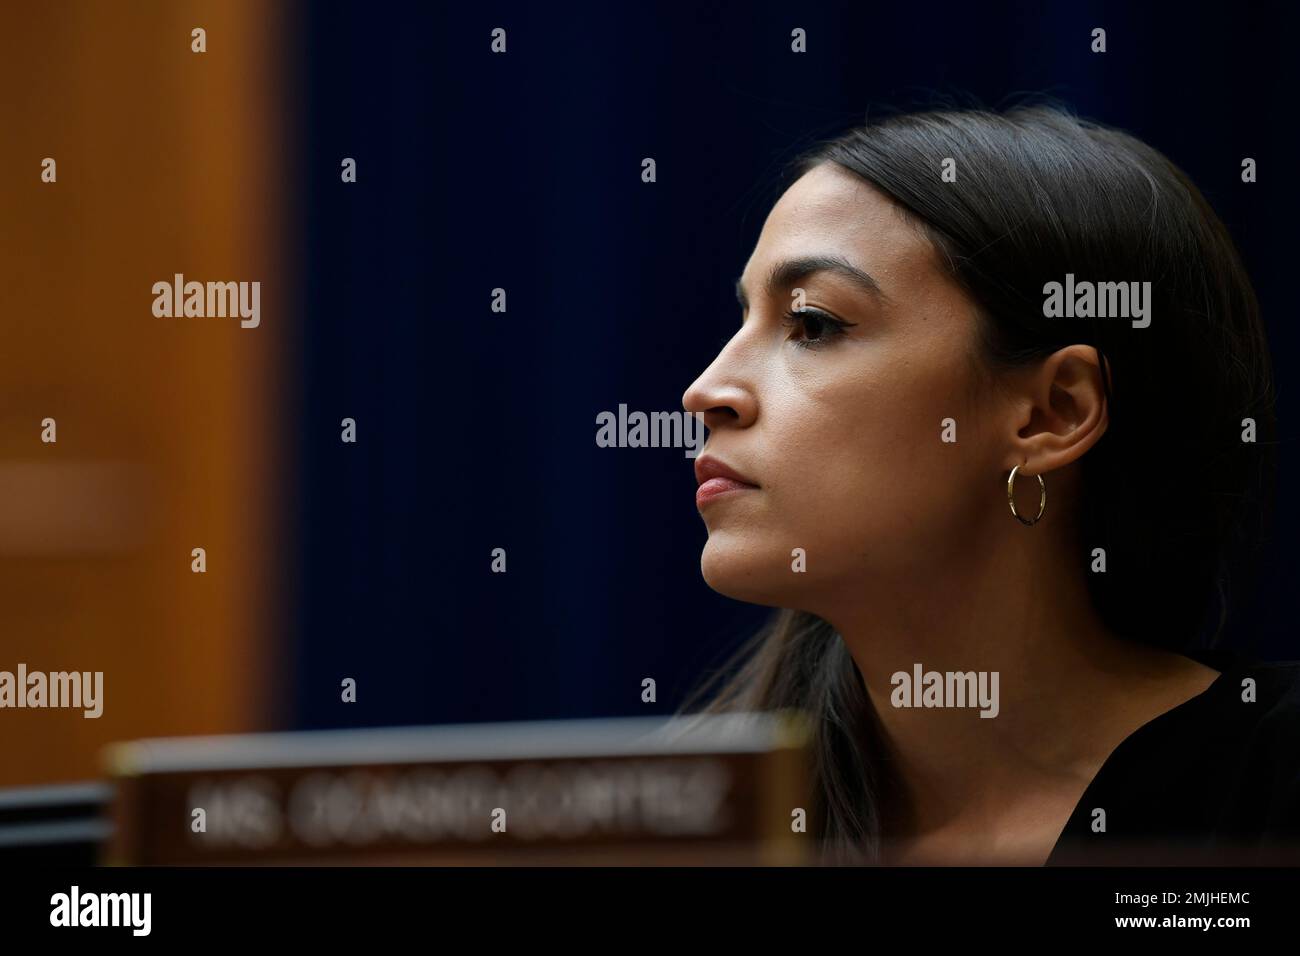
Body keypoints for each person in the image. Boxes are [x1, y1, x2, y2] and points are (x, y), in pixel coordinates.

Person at [678, 105, 1299, 865]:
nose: (706, 391)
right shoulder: (697, 824)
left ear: (1052, 413)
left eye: (812, 324)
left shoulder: (1269, 790)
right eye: (745, 318)